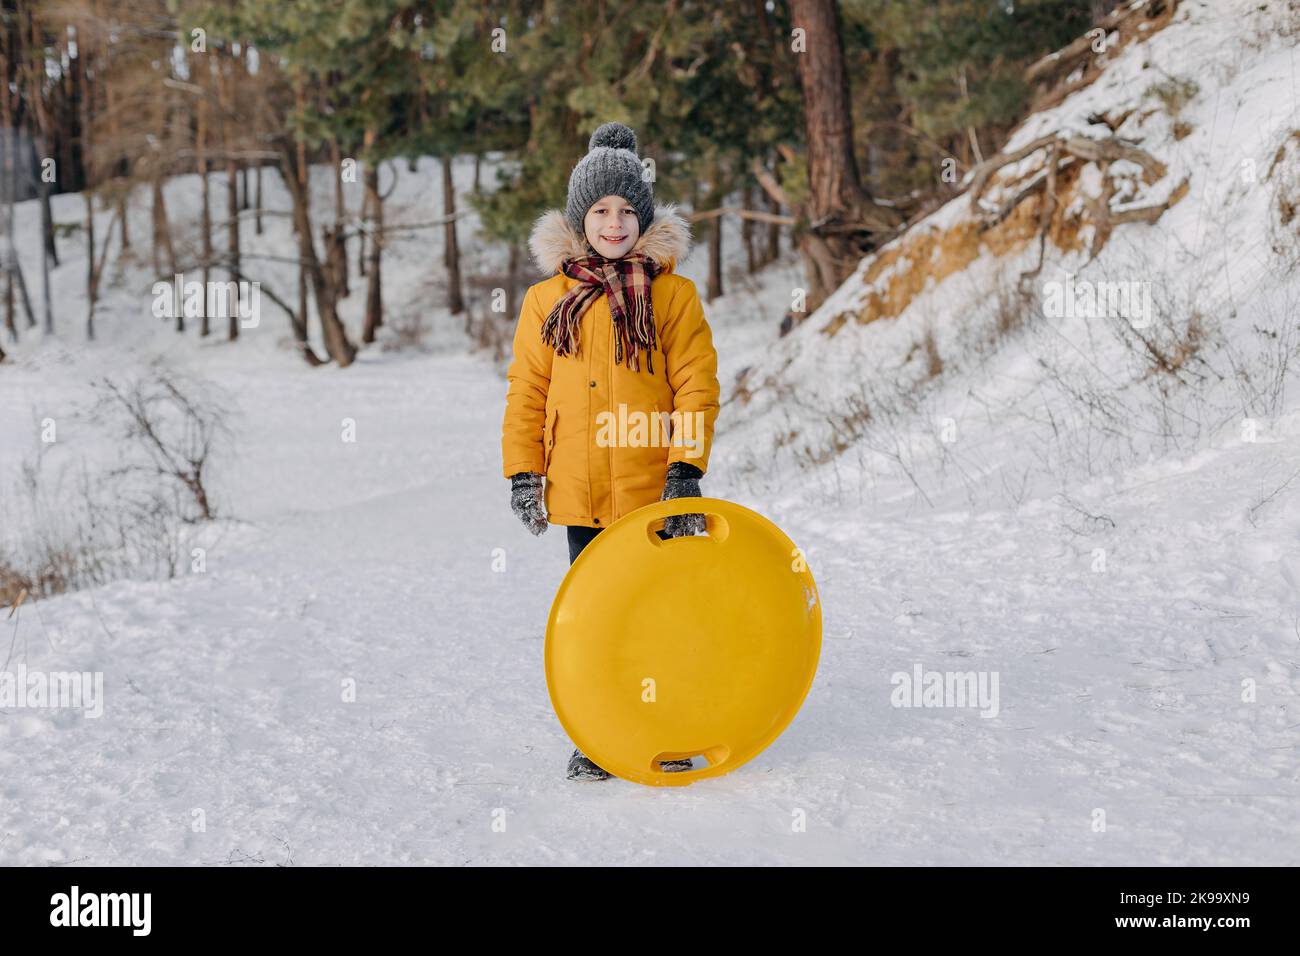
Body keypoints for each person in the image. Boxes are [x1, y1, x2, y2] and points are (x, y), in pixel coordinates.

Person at [500, 122, 721, 780]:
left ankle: (673, 727)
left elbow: (696, 385)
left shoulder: (672, 295)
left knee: (662, 622)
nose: (616, 223)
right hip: (583, 497)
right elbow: (527, 396)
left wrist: (685, 469)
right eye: (601, 210)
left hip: (657, 493)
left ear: (644, 217)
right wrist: (523, 474)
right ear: (580, 220)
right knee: (598, 625)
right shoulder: (548, 301)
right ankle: (600, 736)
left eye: (628, 210)